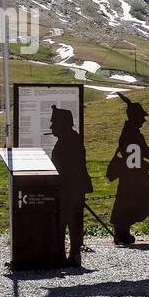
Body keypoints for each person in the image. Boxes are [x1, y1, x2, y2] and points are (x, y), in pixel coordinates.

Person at [107, 94, 149, 246]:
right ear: (135, 117)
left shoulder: (129, 131)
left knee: (128, 201)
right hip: (133, 176)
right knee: (130, 201)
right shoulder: (132, 133)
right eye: (141, 117)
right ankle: (122, 232)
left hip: (131, 175)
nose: (143, 120)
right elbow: (143, 153)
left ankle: (123, 231)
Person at [49, 106, 91, 267]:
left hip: (70, 188)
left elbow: (67, 167)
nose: (51, 127)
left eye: (54, 123)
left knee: (70, 221)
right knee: (65, 221)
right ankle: (65, 254)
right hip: (69, 187)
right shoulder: (69, 139)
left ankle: (72, 255)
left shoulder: (70, 140)